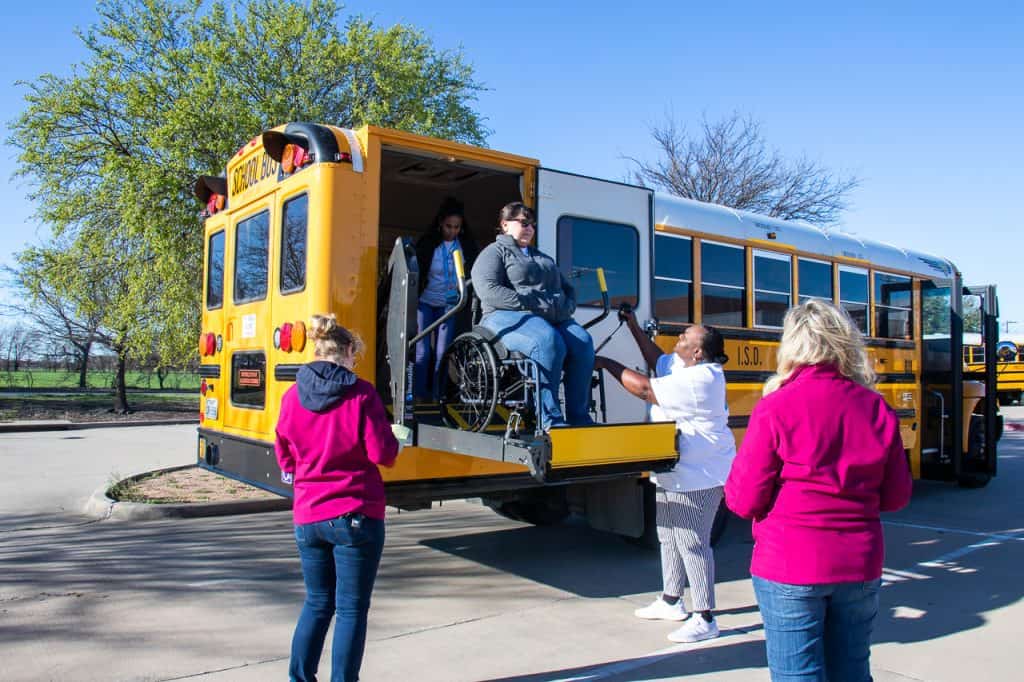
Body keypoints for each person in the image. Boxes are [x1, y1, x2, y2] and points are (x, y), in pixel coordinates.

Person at [724, 299, 913, 681]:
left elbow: (743, 500)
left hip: (790, 562)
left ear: (792, 345)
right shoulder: (876, 407)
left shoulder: (775, 407)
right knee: (853, 671)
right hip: (859, 563)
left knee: (798, 674)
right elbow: (896, 497)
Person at [594, 309, 735, 643]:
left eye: (686, 338)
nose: (679, 339)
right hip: (674, 468)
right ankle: (672, 600)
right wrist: (631, 326)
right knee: (668, 533)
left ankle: (705, 617)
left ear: (698, 352)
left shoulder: (704, 379)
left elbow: (645, 389)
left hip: (701, 472)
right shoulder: (685, 366)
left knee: (693, 542)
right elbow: (657, 360)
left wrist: (605, 363)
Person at [275, 314, 401, 682]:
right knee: (350, 610)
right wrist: (397, 439)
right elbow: (382, 454)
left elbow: (284, 454)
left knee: (317, 603)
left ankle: (300, 678)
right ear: (347, 351)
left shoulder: (291, 396)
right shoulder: (361, 394)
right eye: (355, 356)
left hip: (308, 517)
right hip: (354, 515)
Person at [470, 201, 595, 429]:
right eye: (524, 222)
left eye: (532, 225)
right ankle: (550, 419)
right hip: (502, 316)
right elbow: (488, 289)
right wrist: (530, 304)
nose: (529, 228)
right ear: (505, 225)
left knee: (583, 343)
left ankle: (580, 418)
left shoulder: (542, 257)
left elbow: (568, 289)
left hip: (549, 317)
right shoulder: (494, 252)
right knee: (546, 340)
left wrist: (564, 308)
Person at [413, 197, 478, 400]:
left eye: (457, 227)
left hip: (449, 303)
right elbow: (418, 271)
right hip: (425, 302)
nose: (452, 231)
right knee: (422, 351)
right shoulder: (428, 244)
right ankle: (418, 394)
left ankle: (438, 394)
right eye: (449, 226)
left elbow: (473, 270)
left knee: (443, 351)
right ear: (440, 223)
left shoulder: (465, 246)